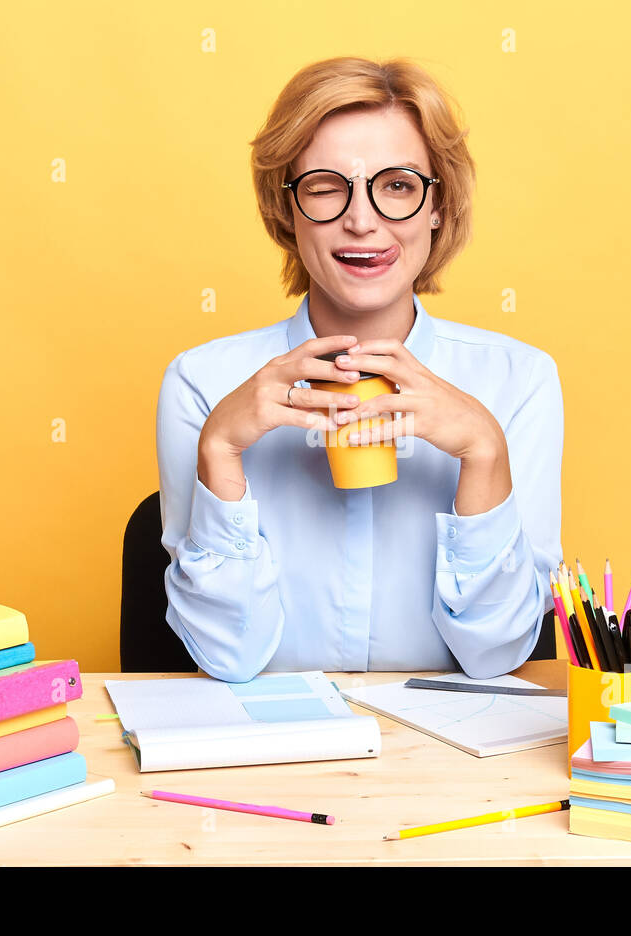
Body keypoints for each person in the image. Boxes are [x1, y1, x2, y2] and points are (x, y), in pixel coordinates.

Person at [156, 57, 562, 682]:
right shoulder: (201, 382)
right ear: (286, 210)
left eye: (397, 185)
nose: (362, 219)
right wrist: (218, 449)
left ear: (437, 206)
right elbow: (226, 657)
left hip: (450, 763)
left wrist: (485, 452)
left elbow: (498, 653)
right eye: (324, 186)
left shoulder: (519, 381)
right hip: (270, 756)